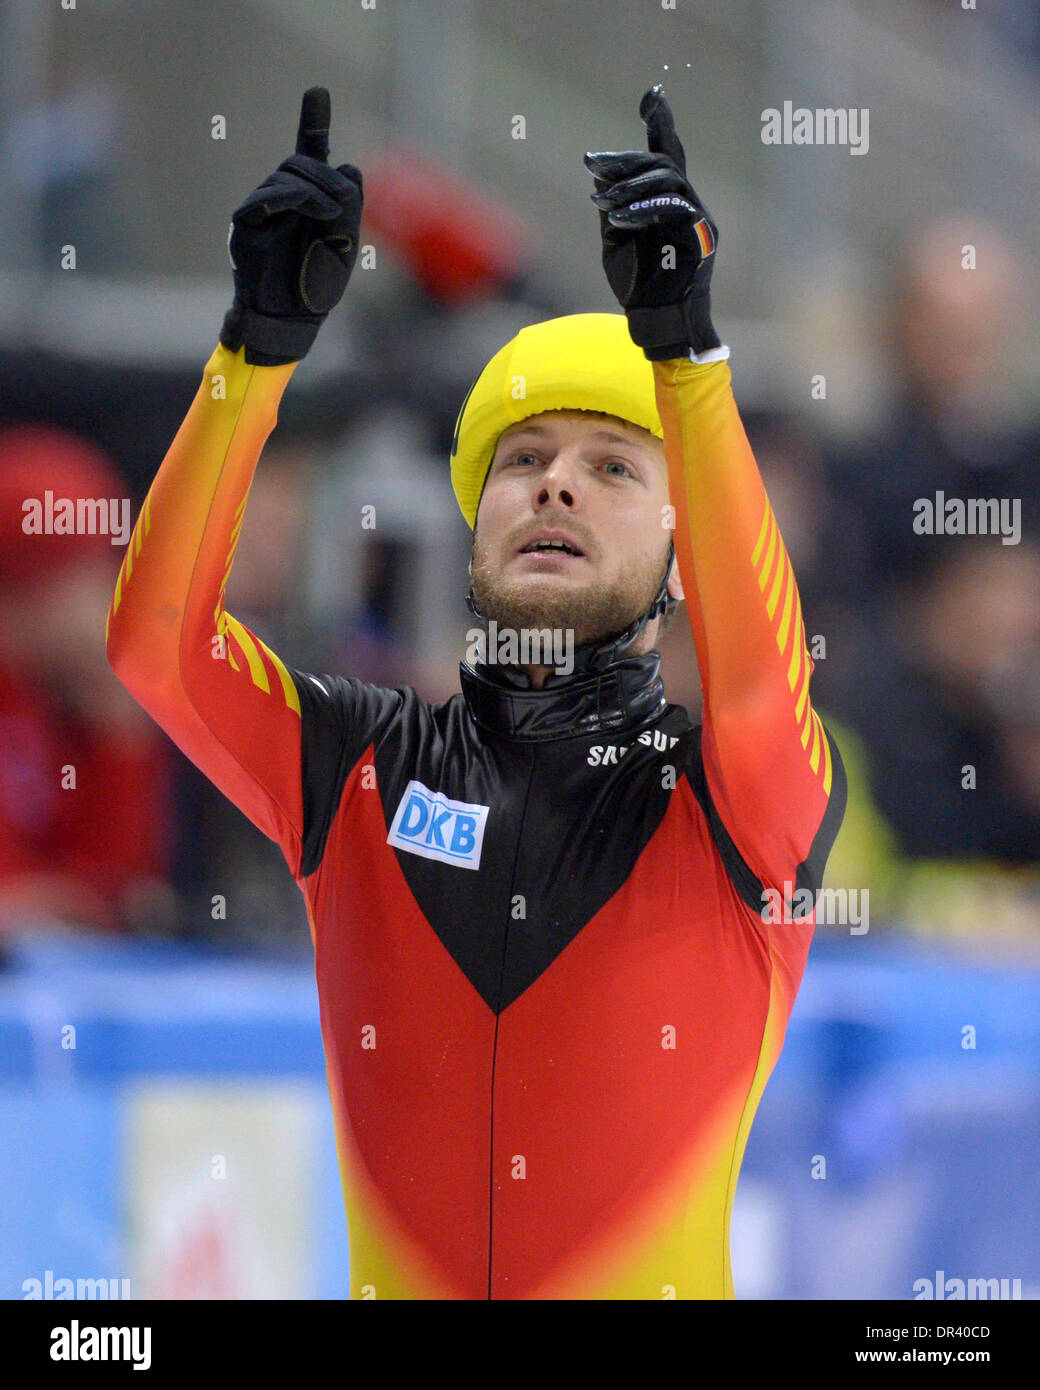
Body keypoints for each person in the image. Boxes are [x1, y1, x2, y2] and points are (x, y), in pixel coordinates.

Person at [107, 86, 846, 1300]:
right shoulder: (354, 762)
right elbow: (154, 645)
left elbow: (764, 689)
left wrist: (690, 366)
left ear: (679, 552)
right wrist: (251, 356)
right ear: (472, 518)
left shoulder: (733, 798)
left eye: (611, 466)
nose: (553, 485)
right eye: (520, 460)